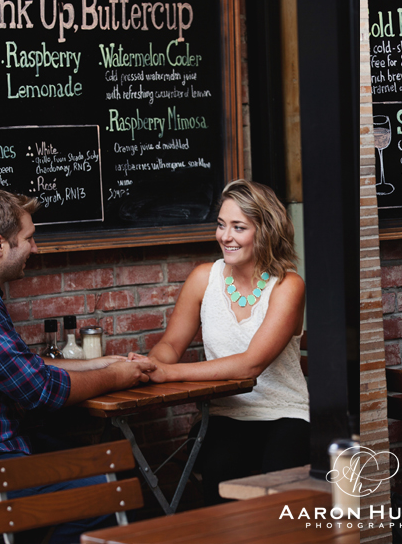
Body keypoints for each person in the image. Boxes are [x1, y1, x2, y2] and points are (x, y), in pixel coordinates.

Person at [0, 189, 155, 543]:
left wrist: (95, 365)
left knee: (114, 468)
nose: (35, 248)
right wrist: (117, 375)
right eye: (28, 239)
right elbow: (40, 392)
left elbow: (19, 366)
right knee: (106, 492)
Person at [129, 179, 309, 505]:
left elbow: (250, 364)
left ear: (265, 230)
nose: (225, 236)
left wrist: (170, 374)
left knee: (278, 507)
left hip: (283, 413)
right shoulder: (203, 278)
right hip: (224, 413)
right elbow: (170, 345)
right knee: (224, 492)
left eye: (238, 227)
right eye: (221, 224)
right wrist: (153, 363)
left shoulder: (287, 286)